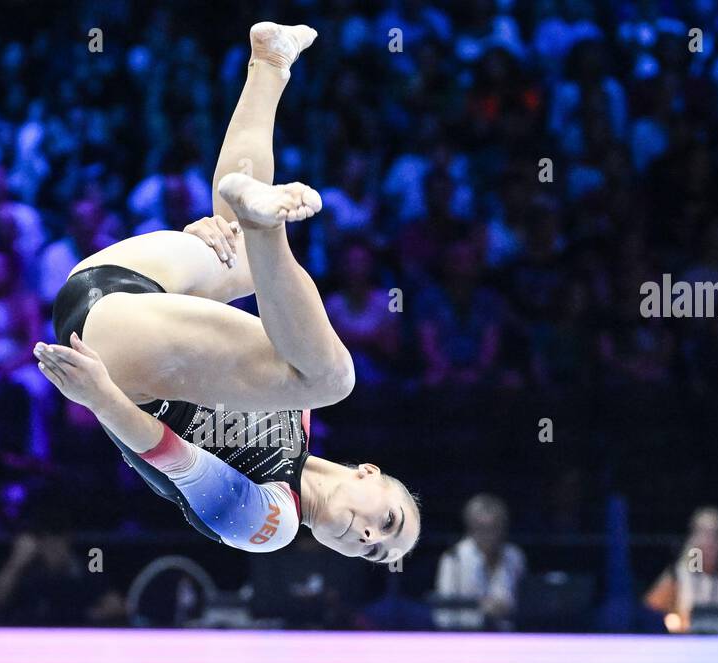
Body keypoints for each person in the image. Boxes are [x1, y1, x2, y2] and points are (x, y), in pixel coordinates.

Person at [36, 23, 420, 562]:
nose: (369, 537)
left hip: (114, 359)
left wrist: (100, 399)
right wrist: (204, 263)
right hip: (125, 286)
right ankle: (269, 63)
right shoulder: (296, 412)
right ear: (370, 474)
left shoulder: (274, 523)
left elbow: (176, 461)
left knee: (334, 379)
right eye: (388, 521)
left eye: (376, 552)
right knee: (237, 250)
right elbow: (218, 348)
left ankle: (263, 223)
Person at [433, 493, 526, 630]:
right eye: (482, 528)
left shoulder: (515, 556)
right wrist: (480, 608)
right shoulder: (454, 558)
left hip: (508, 636)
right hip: (465, 636)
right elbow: (443, 613)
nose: (489, 536)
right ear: (470, 528)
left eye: (494, 528)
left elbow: (526, 606)